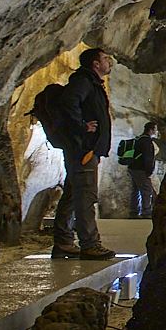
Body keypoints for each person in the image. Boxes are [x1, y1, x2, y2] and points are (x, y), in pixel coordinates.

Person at [52, 47, 116, 258]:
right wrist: (81, 126)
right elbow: (68, 103)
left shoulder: (92, 83)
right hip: (83, 149)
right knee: (86, 196)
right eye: (105, 58)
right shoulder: (84, 81)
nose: (109, 62)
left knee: (72, 195)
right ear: (95, 64)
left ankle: (63, 242)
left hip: (85, 149)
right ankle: (90, 244)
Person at [121, 121, 160, 218]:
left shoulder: (139, 139)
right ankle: (146, 212)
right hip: (140, 169)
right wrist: (149, 171)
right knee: (147, 190)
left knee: (136, 189)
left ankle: (133, 212)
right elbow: (148, 158)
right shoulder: (146, 141)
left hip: (133, 167)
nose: (156, 131)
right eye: (155, 129)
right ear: (150, 130)